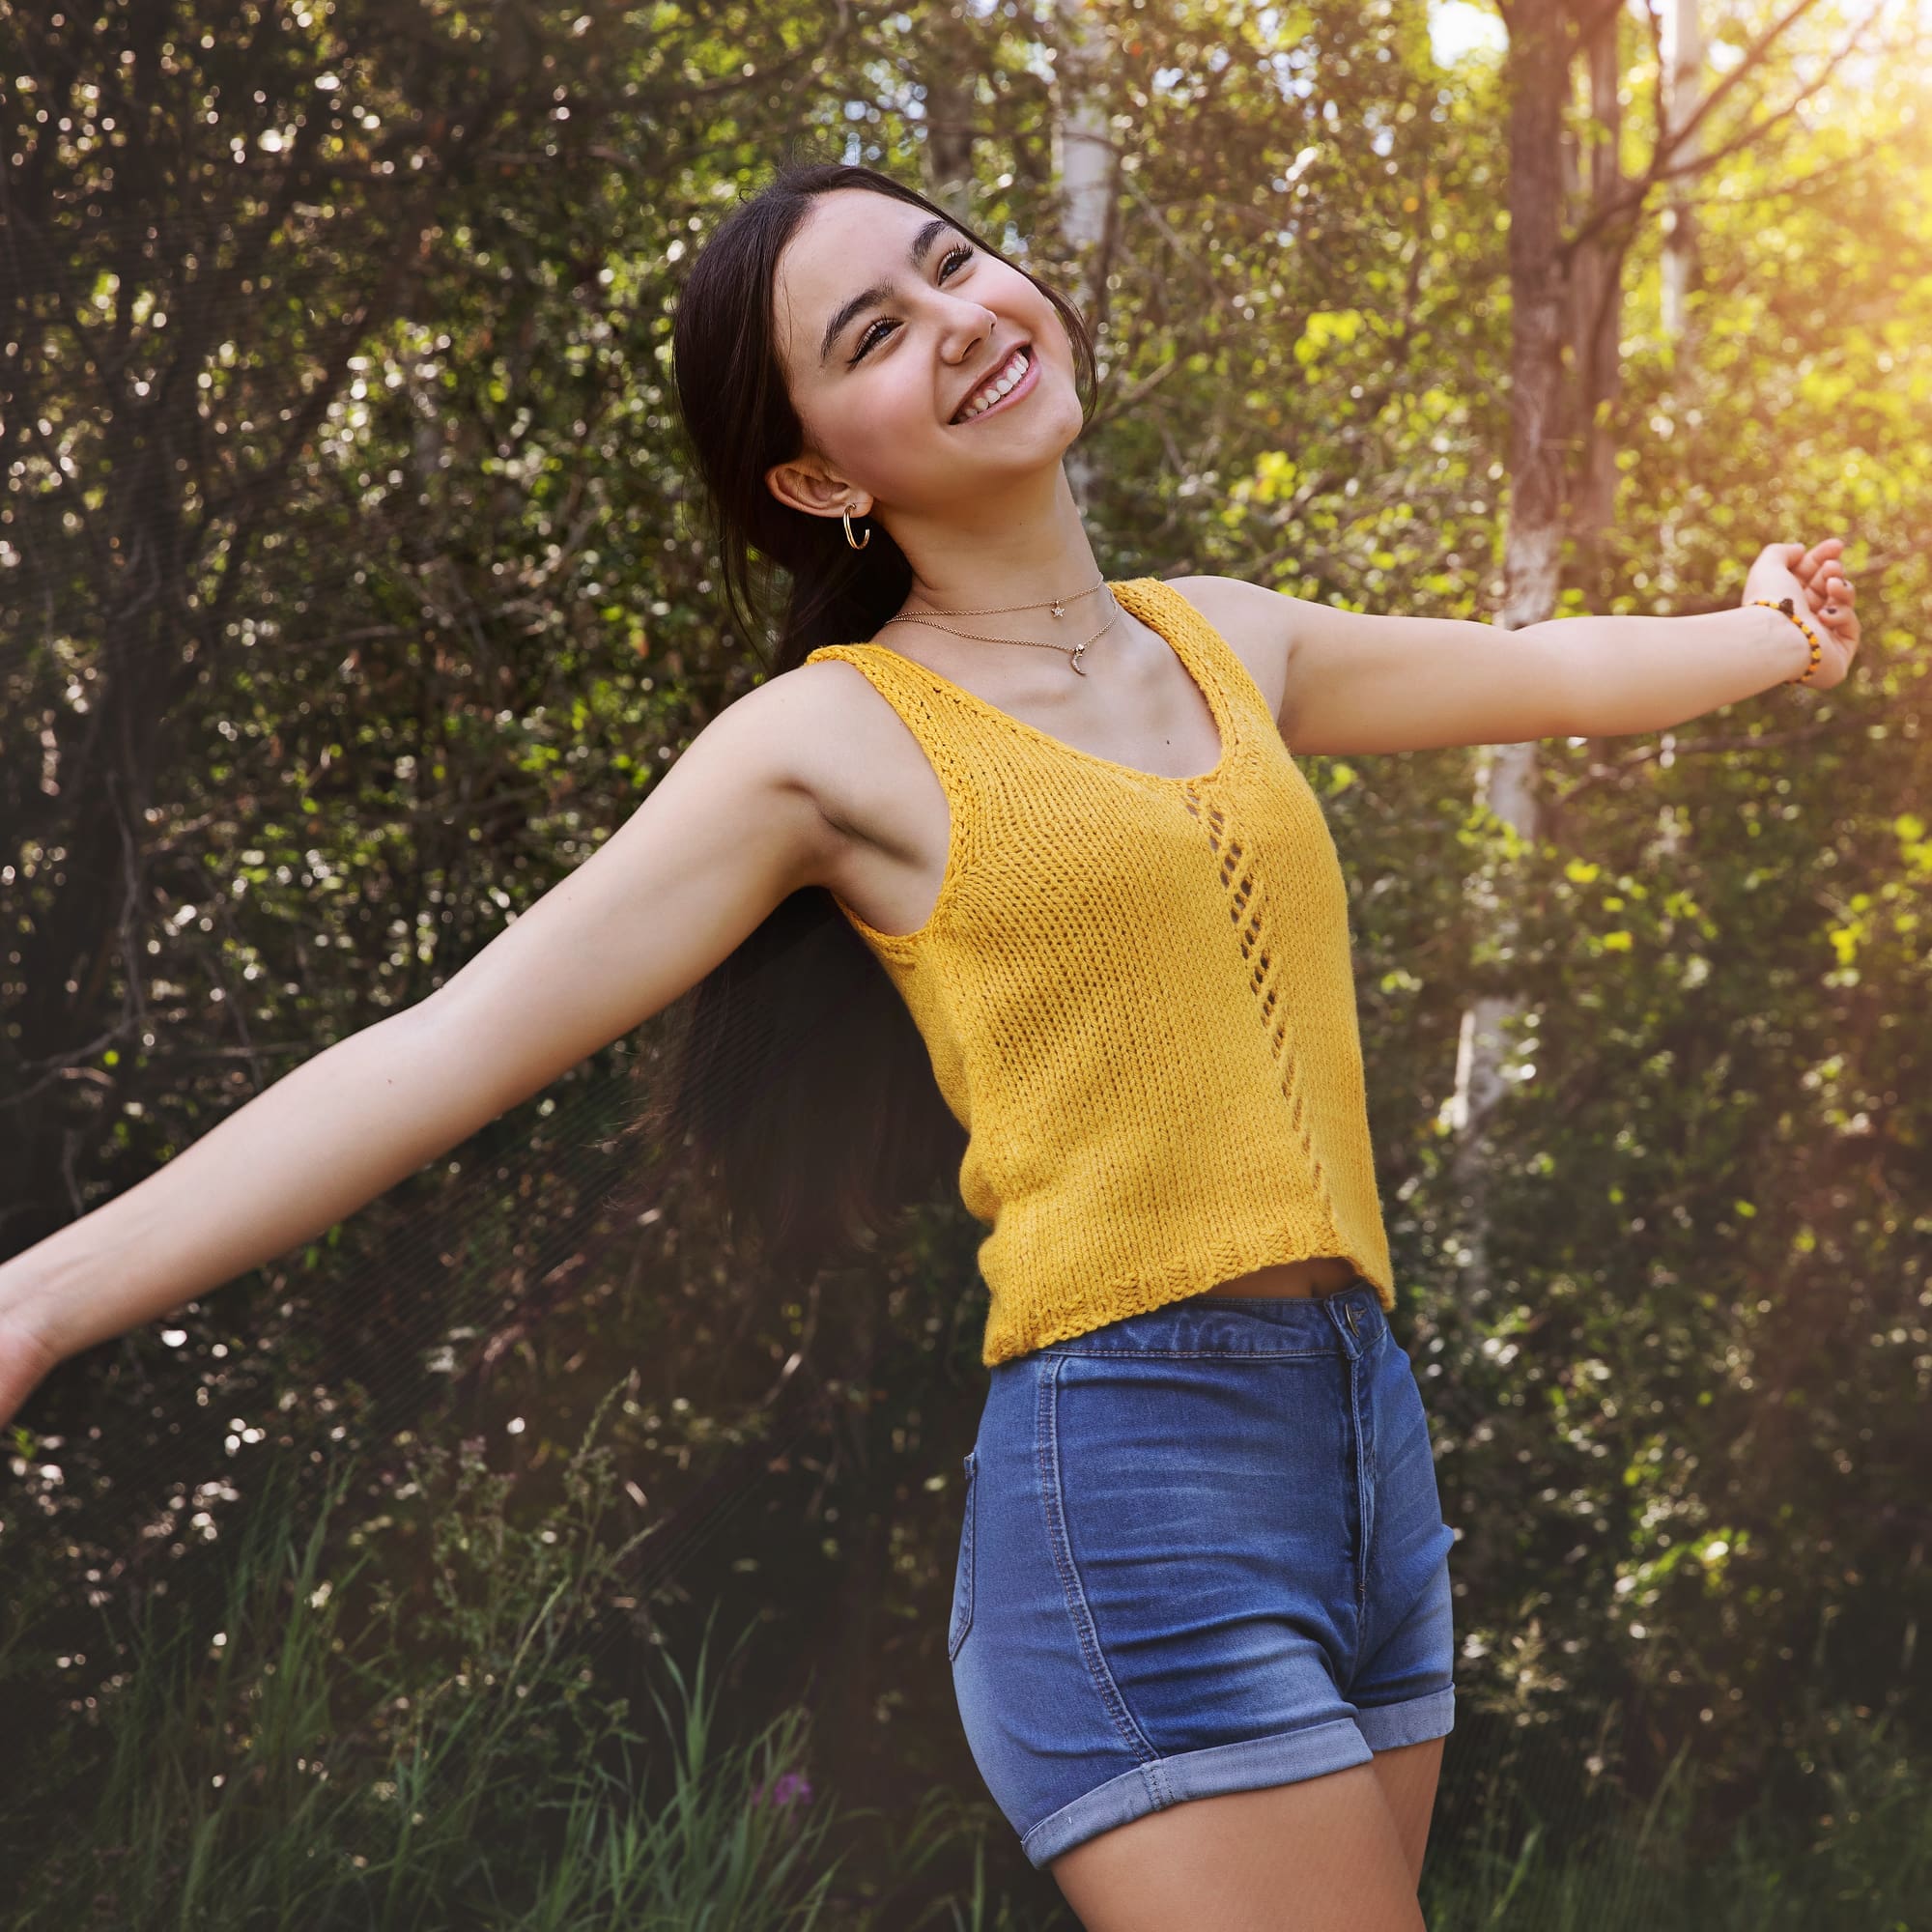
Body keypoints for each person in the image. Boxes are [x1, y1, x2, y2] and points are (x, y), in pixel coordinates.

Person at [0, 159, 1860, 1929]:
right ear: (818, 475)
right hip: (1141, 1475)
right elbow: (447, 1042)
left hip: (1365, 1440)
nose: (957, 317)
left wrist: (1772, 637)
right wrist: (39, 1305)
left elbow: (1549, 672)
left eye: (951, 262)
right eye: (873, 333)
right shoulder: (831, 743)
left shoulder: (1227, 641)